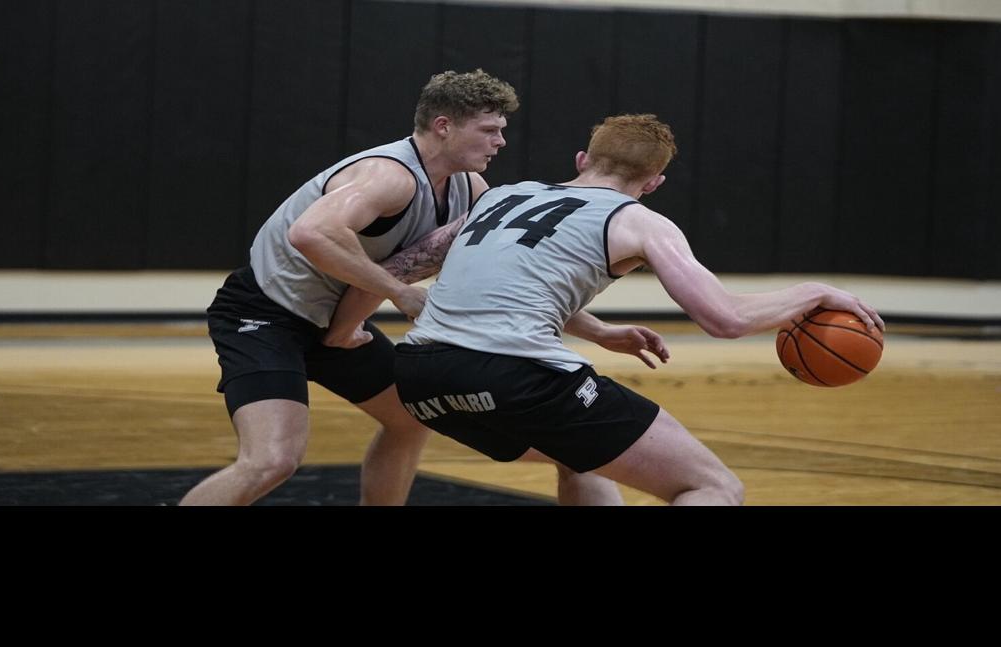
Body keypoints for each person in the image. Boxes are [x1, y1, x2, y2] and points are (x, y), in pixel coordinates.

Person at [339, 113, 882, 506]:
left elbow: (411, 267)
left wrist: (339, 326)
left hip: (419, 376)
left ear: (582, 161)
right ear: (654, 183)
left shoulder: (504, 195)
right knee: (712, 487)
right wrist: (813, 291)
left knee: (579, 453)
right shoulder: (639, 220)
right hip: (512, 372)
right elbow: (726, 319)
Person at [181, 69, 658, 505]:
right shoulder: (387, 174)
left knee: (410, 418)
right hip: (266, 314)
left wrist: (596, 330)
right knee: (272, 460)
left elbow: (501, 280)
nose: (500, 142)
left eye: (502, 131)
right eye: (489, 130)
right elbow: (311, 234)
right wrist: (400, 291)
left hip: (336, 319)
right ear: (445, 126)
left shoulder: (468, 188)